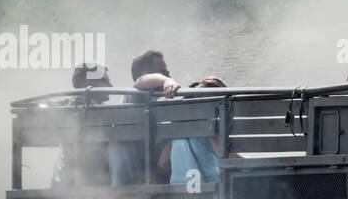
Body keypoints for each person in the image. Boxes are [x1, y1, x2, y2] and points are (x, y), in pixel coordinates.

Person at [109, 50, 181, 185]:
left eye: (168, 73)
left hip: (140, 181)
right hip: (129, 186)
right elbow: (140, 82)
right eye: (164, 72)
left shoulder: (148, 104)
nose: (169, 75)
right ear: (147, 75)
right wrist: (166, 81)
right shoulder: (134, 97)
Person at [52, 64, 113, 187]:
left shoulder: (70, 105)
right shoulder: (83, 107)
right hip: (84, 186)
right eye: (105, 81)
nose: (111, 86)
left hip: (64, 185)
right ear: (89, 84)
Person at [158, 77, 226, 186]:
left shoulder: (177, 124)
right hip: (207, 186)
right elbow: (224, 155)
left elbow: (162, 163)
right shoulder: (210, 122)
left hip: (176, 187)